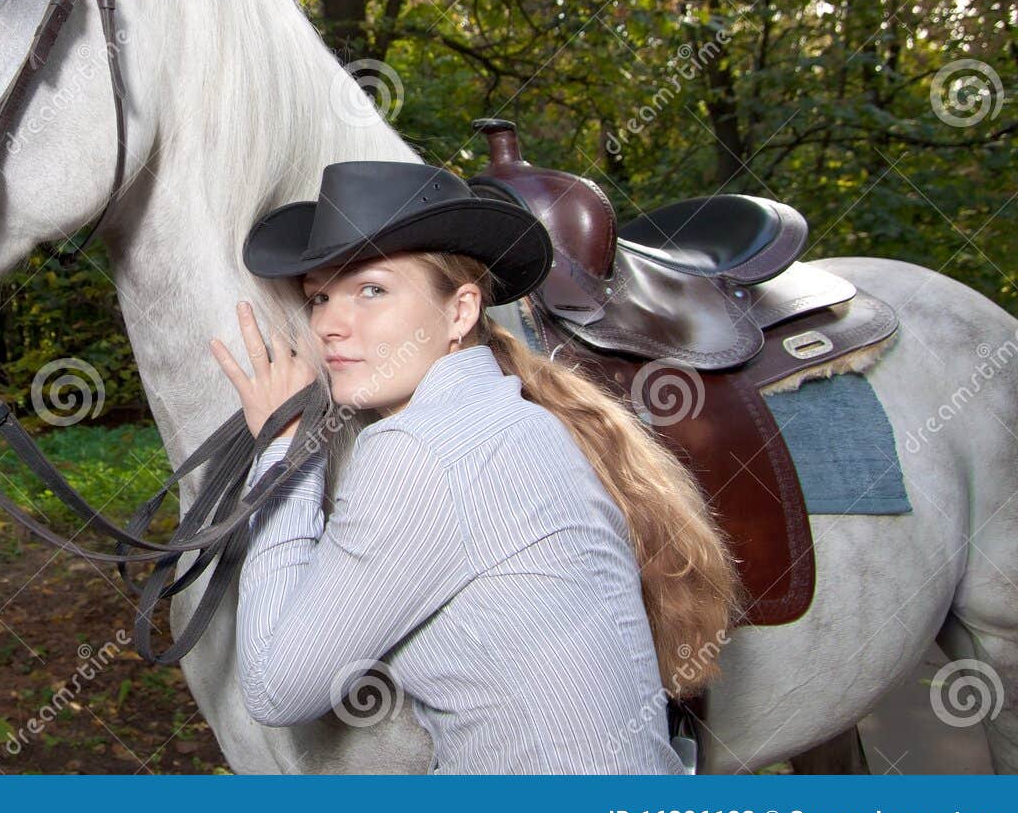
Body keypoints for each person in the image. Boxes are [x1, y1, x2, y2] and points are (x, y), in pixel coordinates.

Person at [209, 160, 741, 774]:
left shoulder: (420, 449)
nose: (328, 323)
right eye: (319, 297)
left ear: (460, 312)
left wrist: (286, 452)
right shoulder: (520, 415)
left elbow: (278, 689)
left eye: (372, 289)